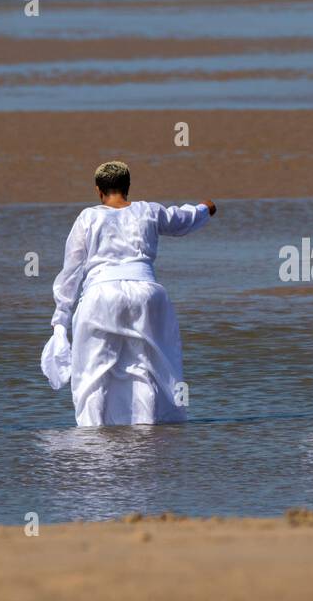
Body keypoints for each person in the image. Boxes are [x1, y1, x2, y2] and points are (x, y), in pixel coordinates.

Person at [44, 161, 215, 426]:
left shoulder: (88, 217)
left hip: (101, 297)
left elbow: (71, 271)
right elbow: (182, 220)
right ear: (128, 186)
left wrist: (60, 320)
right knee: (145, 368)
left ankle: (92, 438)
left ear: (98, 190)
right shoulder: (148, 210)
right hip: (146, 295)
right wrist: (205, 208)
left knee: (94, 374)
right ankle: (146, 433)